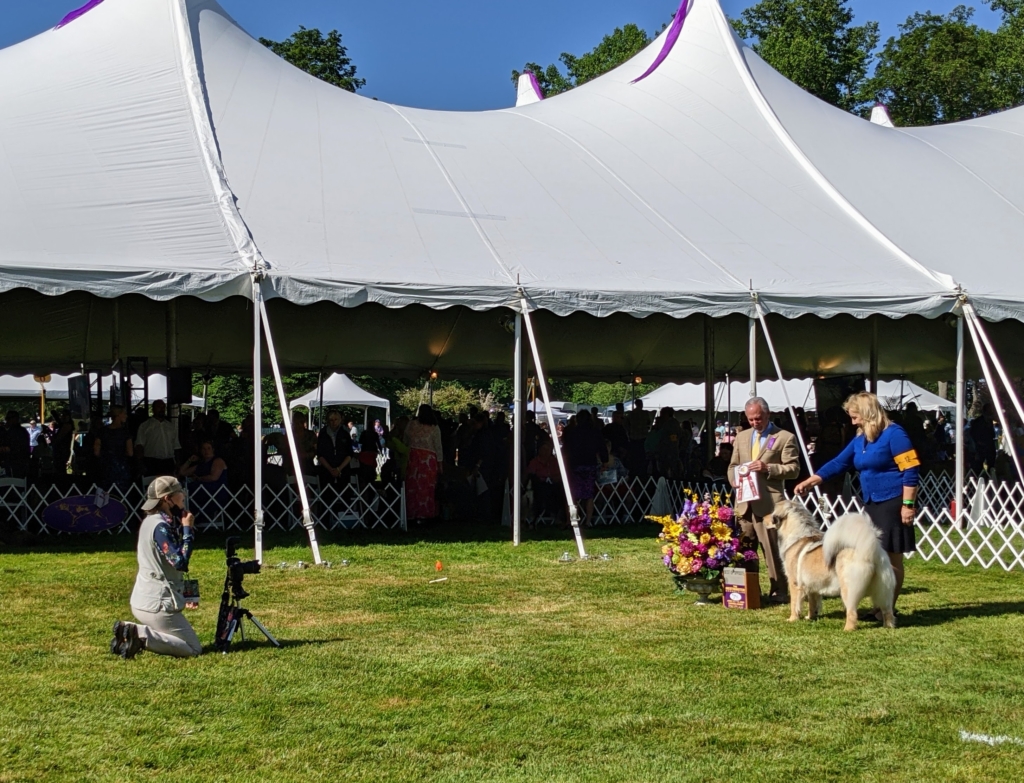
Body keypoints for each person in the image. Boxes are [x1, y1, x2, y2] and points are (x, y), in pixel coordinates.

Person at [795, 392, 920, 614]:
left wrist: (908, 505)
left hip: (893, 502)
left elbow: (910, 469)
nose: (852, 422)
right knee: (872, 556)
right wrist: (813, 480)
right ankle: (878, 605)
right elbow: (839, 462)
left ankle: (888, 607)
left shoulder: (895, 434)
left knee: (891, 557)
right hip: (871, 502)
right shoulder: (860, 439)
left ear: (867, 413)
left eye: (855, 417)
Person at [110, 476, 202, 659]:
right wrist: (187, 530)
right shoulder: (161, 527)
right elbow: (180, 562)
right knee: (193, 648)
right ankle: (139, 634)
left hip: (142, 600)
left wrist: (189, 593)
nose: (183, 495)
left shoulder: (149, 522)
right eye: (179, 492)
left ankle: (128, 632)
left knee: (178, 639)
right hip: (158, 605)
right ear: (167, 499)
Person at [728, 397, 800, 603]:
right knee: (744, 549)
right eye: (750, 419)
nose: (754, 423)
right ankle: (748, 588)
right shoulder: (741, 437)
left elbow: (793, 470)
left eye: (758, 418)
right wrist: (734, 480)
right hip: (744, 503)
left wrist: (768, 468)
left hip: (769, 504)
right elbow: (733, 465)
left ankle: (780, 590)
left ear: (768, 414)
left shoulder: (784, 437)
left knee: (772, 550)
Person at [563, 409, 609, 526]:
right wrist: (604, 461)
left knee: (572, 495)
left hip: (574, 465)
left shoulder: (572, 432)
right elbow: (602, 447)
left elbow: (566, 448)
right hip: (590, 465)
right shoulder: (595, 432)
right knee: (589, 495)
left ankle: (571, 521)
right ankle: (588, 521)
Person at [405, 405, 443, 521]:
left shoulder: (411, 424)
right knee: (427, 488)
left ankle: (412, 513)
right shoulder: (434, 427)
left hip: (413, 458)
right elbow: (438, 446)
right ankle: (426, 514)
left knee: (412, 487)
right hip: (428, 460)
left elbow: (405, 439)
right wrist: (440, 464)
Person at [178, 440, 228, 518]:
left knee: (190, 490)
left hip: (215, 490)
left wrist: (199, 478)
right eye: (203, 449)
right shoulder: (201, 464)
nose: (206, 451)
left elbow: (214, 477)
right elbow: (182, 472)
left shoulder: (218, 461)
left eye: (208, 448)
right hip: (201, 488)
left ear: (213, 449)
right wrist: (190, 460)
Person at [134, 399, 180, 477]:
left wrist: (178, 462)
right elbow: (139, 445)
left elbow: (176, 446)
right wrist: (140, 463)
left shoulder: (171, 426)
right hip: (151, 461)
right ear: (153, 409)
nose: (161, 409)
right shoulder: (145, 426)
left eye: (163, 407)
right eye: (159, 407)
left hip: (168, 461)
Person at [97, 405, 134, 490]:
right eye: (124, 413)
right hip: (121, 468)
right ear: (118, 415)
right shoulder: (125, 432)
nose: (126, 416)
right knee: (121, 494)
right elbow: (130, 453)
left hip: (105, 468)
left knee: (104, 494)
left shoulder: (102, 431)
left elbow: (96, 451)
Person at [316, 410, 354, 490]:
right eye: (331, 420)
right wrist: (330, 469)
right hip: (326, 470)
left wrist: (339, 469)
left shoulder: (345, 433)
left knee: (345, 494)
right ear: (328, 421)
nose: (334, 422)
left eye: (336, 419)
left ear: (340, 420)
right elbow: (320, 454)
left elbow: (349, 454)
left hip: (343, 470)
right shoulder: (323, 433)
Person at [624, 400, 652, 479]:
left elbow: (626, 424)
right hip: (643, 438)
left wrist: (629, 432)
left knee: (634, 457)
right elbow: (648, 423)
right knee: (642, 457)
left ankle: (634, 472)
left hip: (633, 438)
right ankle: (642, 473)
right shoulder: (645, 413)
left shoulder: (631, 414)